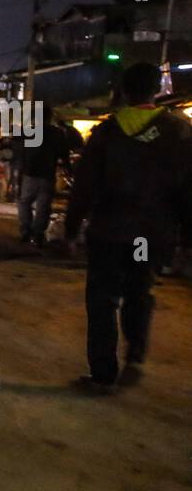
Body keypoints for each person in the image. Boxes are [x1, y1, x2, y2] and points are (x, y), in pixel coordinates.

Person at [64, 62, 192, 394]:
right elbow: (188, 190)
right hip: (151, 234)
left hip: (109, 231)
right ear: (158, 90)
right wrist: (187, 237)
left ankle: (103, 375)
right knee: (140, 292)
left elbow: (84, 188)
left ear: (123, 91)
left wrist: (71, 228)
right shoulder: (178, 132)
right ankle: (135, 355)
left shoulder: (107, 133)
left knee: (102, 300)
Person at [18, 107, 71, 246]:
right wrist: (68, 170)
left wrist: (21, 169)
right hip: (47, 174)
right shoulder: (57, 133)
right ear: (50, 117)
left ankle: (25, 229)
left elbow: (22, 151)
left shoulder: (29, 131)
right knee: (43, 206)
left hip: (29, 173)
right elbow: (64, 154)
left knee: (24, 202)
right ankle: (37, 234)